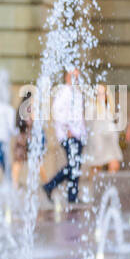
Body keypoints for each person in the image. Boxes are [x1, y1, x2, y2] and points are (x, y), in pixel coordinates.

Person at [43, 68, 86, 203]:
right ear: (67, 77)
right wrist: (67, 129)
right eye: (74, 76)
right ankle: (50, 186)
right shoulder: (64, 91)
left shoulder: (77, 92)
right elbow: (57, 111)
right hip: (69, 135)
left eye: (78, 76)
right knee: (74, 165)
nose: (76, 79)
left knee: (75, 166)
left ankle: (71, 195)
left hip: (78, 135)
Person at [87, 82, 122, 172]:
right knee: (97, 165)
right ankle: (95, 185)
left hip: (110, 139)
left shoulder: (109, 108)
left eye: (103, 93)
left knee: (114, 164)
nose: (101, 96)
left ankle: (111, 185)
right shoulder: (92, 107)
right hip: (98, 139)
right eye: (98, 93)